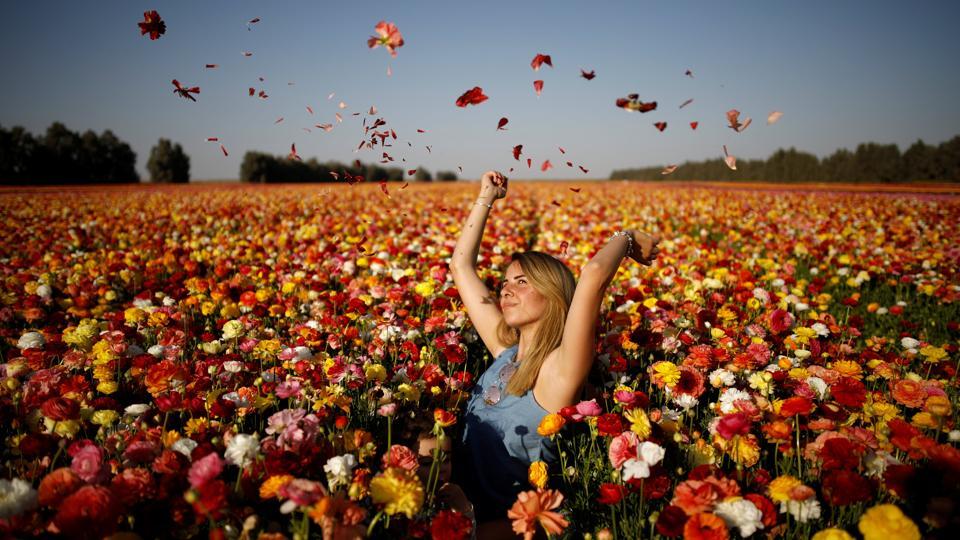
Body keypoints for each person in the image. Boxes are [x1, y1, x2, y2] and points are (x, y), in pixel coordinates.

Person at [449, 171, 660, 538]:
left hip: (499, 531)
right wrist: (487, 196)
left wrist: (627, 239)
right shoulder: (505, 353)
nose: (506, 292)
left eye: (522, 282)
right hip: (456, 513)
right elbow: (460, 267)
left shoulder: (556, 373)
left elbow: (593, 275)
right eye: (504, 284)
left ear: (553, 294)